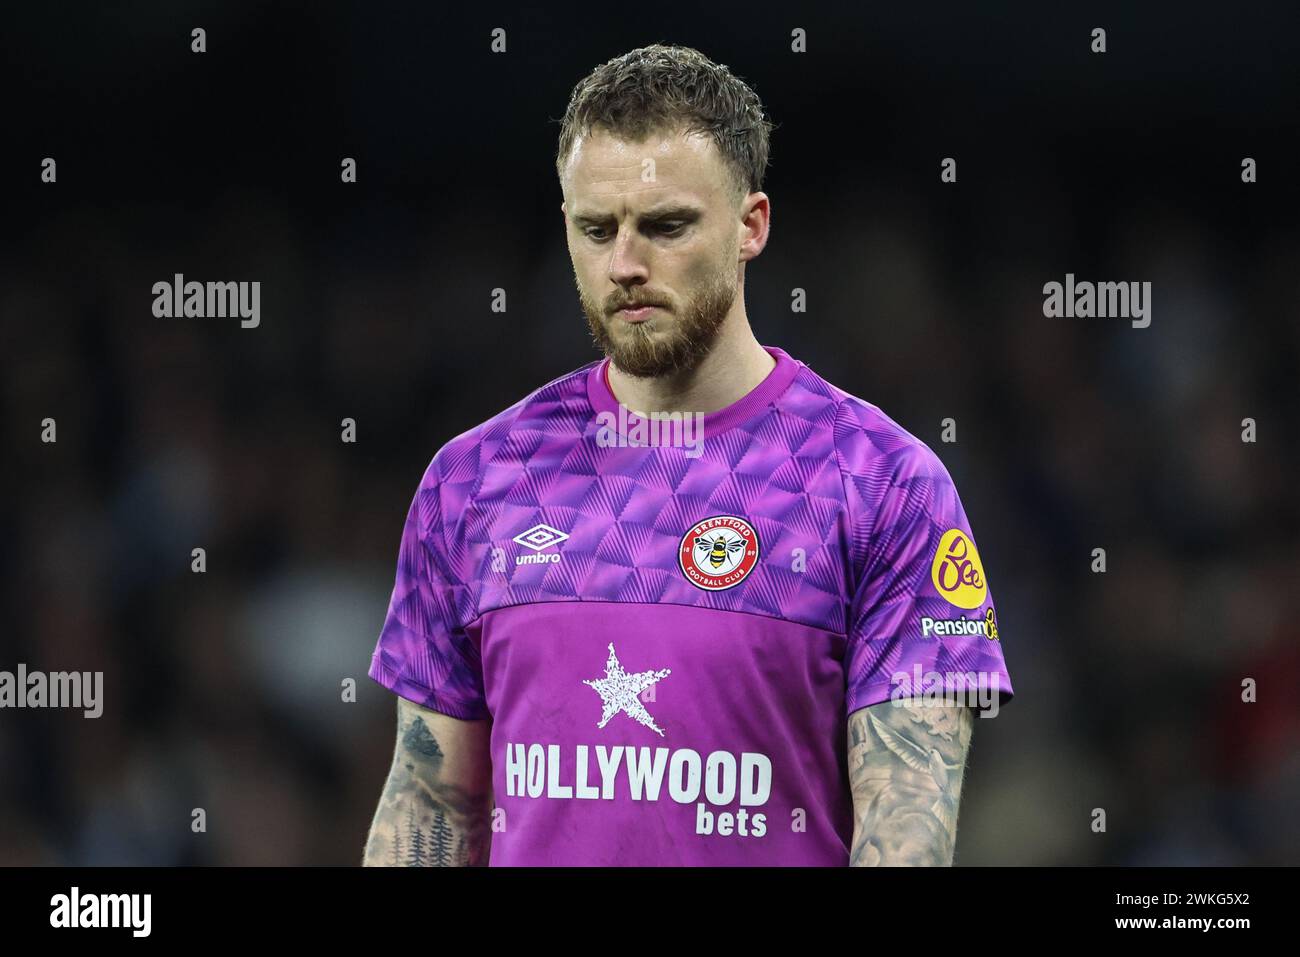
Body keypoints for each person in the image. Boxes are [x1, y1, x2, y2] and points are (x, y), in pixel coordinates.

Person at [363, 44, 1012, 867]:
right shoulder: (475, 480)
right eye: (596, 229)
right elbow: (428, 804)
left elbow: (907, 834)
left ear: (752, 225)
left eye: (666, 226)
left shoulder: (883, 484)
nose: (626, 265)